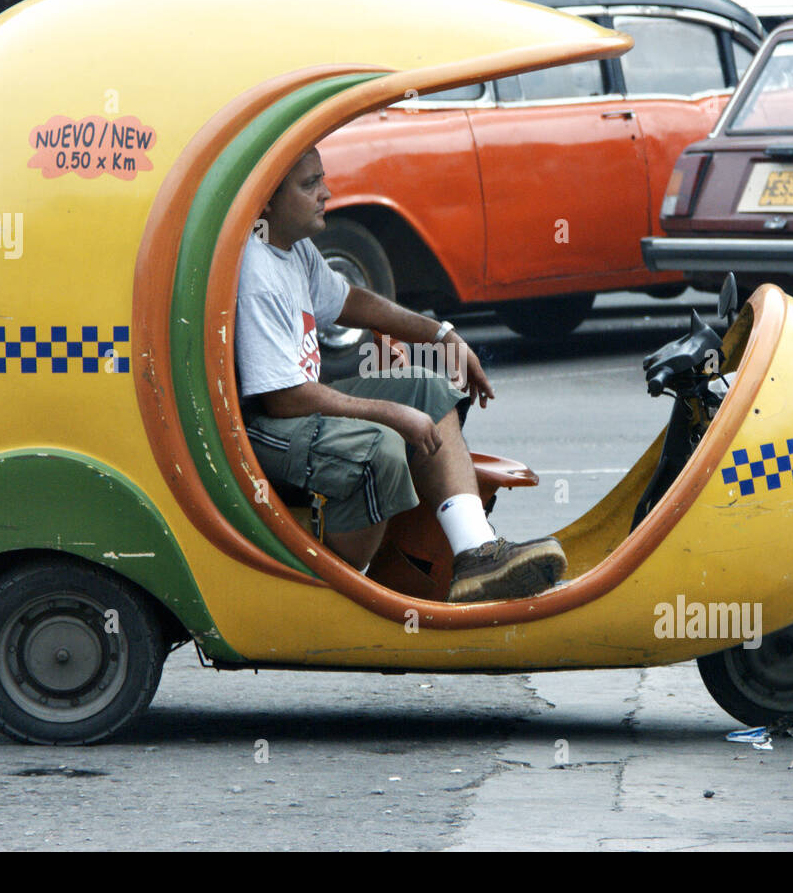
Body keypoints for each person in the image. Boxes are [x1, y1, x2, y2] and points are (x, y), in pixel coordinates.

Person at [235, 147, 567, 603]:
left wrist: (440, 334)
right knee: (381, 448)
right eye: (309, 184)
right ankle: (342, 590)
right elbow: (283, 399)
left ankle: (476, 554)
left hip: (298, 406)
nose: (326, 193)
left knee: (427, 388)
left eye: (321, 179)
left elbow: (349, 301)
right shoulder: (256, 271)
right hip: (265, 425)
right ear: (267, 200)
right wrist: (392, 414)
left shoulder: (295, 249)